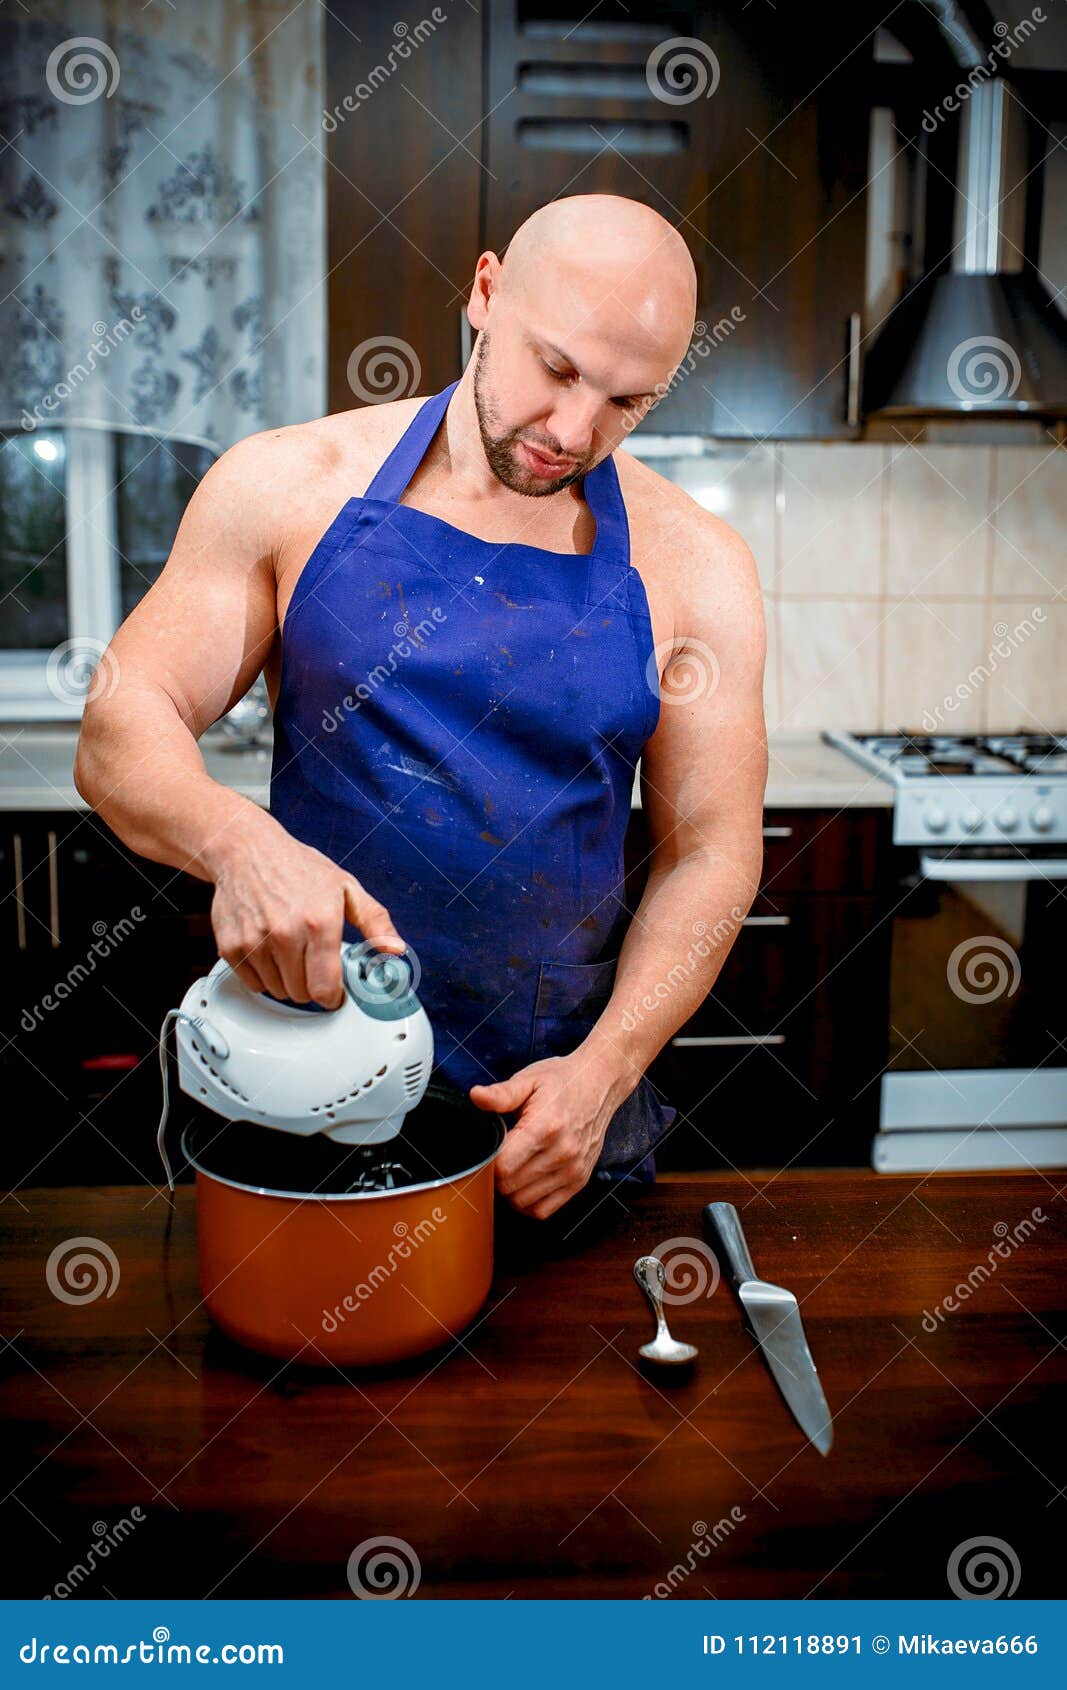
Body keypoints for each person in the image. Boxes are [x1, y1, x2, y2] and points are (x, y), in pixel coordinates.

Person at [75, 194, 767, 1220]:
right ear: (484, 293)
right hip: (307, 1099)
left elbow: (710, 849)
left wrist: (607, 1069)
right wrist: (239, 844)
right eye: (558, 369)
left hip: (550, 1124)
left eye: (628, 402)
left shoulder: (697, 564)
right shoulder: (286, 485)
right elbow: (121, 722)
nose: (572, 431)